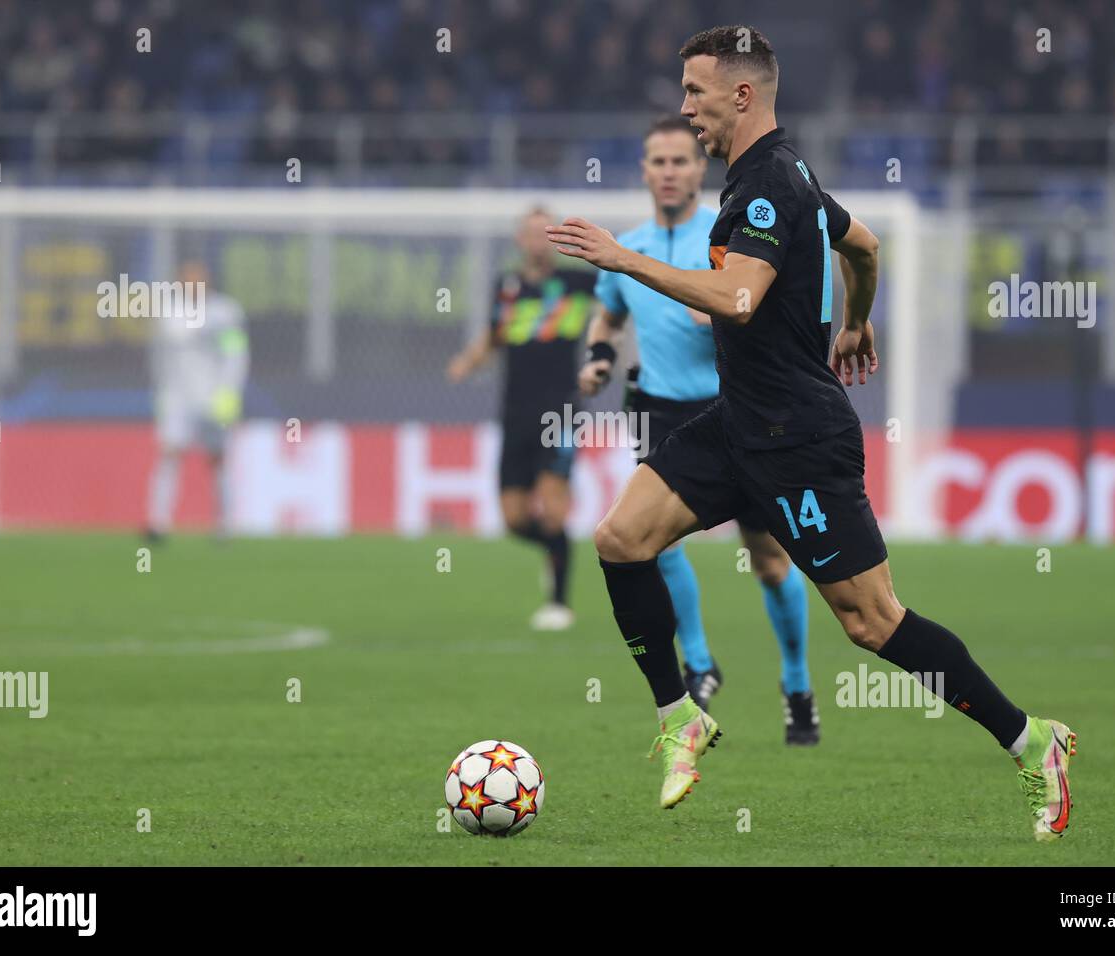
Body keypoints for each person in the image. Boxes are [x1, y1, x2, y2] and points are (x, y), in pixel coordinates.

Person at [545, 25, 1076, 842]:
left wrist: (623, 259)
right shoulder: (789, 171)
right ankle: (679, 715)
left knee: (871, 621)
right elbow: (861, 244)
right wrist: (858, 320)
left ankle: (1031, 739)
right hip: (739, 422)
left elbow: (740, 299)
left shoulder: (764, 188)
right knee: (621, 539)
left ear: (743, 94)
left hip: (799, 439)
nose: (686, 110)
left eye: (696, 92)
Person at [581, 115, 819, 744]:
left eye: (680, 161)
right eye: (657, 161)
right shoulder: (623, 246)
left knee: (768, 560)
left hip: (733, 413)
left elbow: (754, 306)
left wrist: (717, 314)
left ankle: (796, 682)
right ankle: (701, 665)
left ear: (698, 169)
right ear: (644, 170)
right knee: (648, 544)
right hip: (658, 411)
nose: (669, 172)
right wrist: (597, 358)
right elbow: (606, 318)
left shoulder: (721, 241)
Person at [447, 208, 595, 631]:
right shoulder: (507, 287)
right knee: (513, 518)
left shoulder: (578, 282)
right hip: (515, 412)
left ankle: (559, 601)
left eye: (545, 233)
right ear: (519, 240)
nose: (538, 240)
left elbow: (618, 302)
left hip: (561, 411)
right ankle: (553, 551)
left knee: (552, 509)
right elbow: (494, 336)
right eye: (531, 233)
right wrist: (468, 361)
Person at [146, 259, 248, 541]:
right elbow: (163, 356)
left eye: (197, 278)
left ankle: (225, 524)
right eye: (187, 278)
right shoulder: (170, 311)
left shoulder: (225, 312)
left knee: (217, 460)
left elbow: (236, 353)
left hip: (213, 396)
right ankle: (158, 524)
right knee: (169, 453)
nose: (192, 284)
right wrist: (161, 392)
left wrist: (230, 391)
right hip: (177, 397)